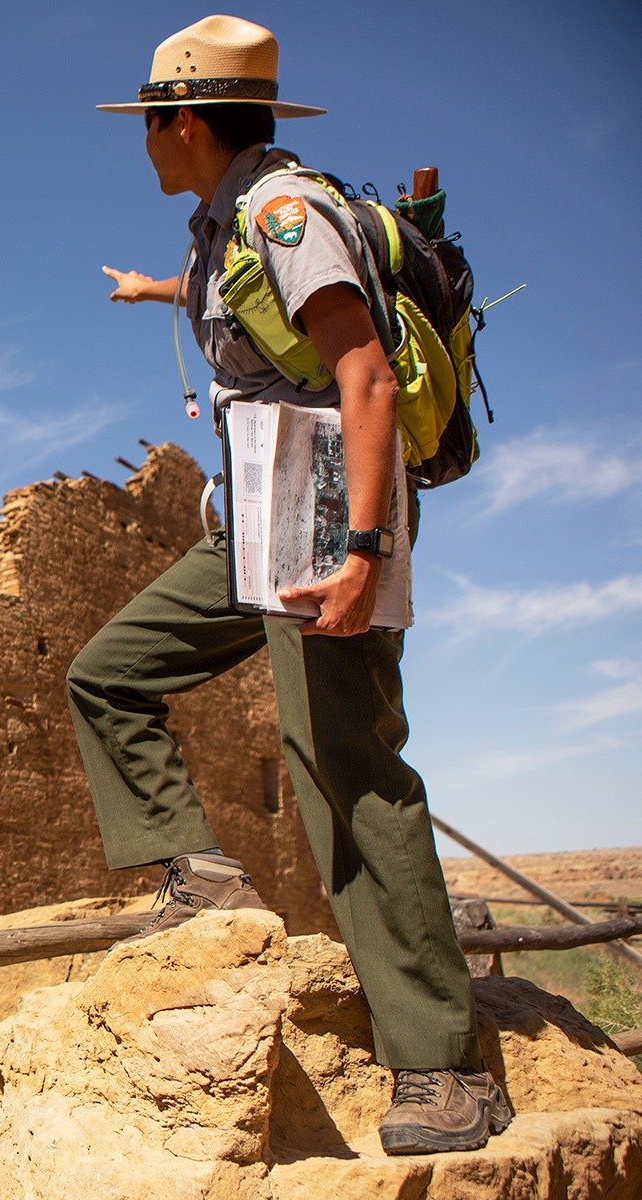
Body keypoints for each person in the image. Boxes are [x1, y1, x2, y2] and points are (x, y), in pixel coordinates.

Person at [77, 15, 510, 1155]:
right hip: (262, 513)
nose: (145, 144)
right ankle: (203, 870)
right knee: (109, 672)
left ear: (182, 123)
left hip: (325, 502)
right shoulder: (231, 228)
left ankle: (442, 1068)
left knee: (348, 770)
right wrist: (148, 289)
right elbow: (239, 302)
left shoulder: (284, 212)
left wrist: (363, 548)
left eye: (149, 124)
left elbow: (361, 372)